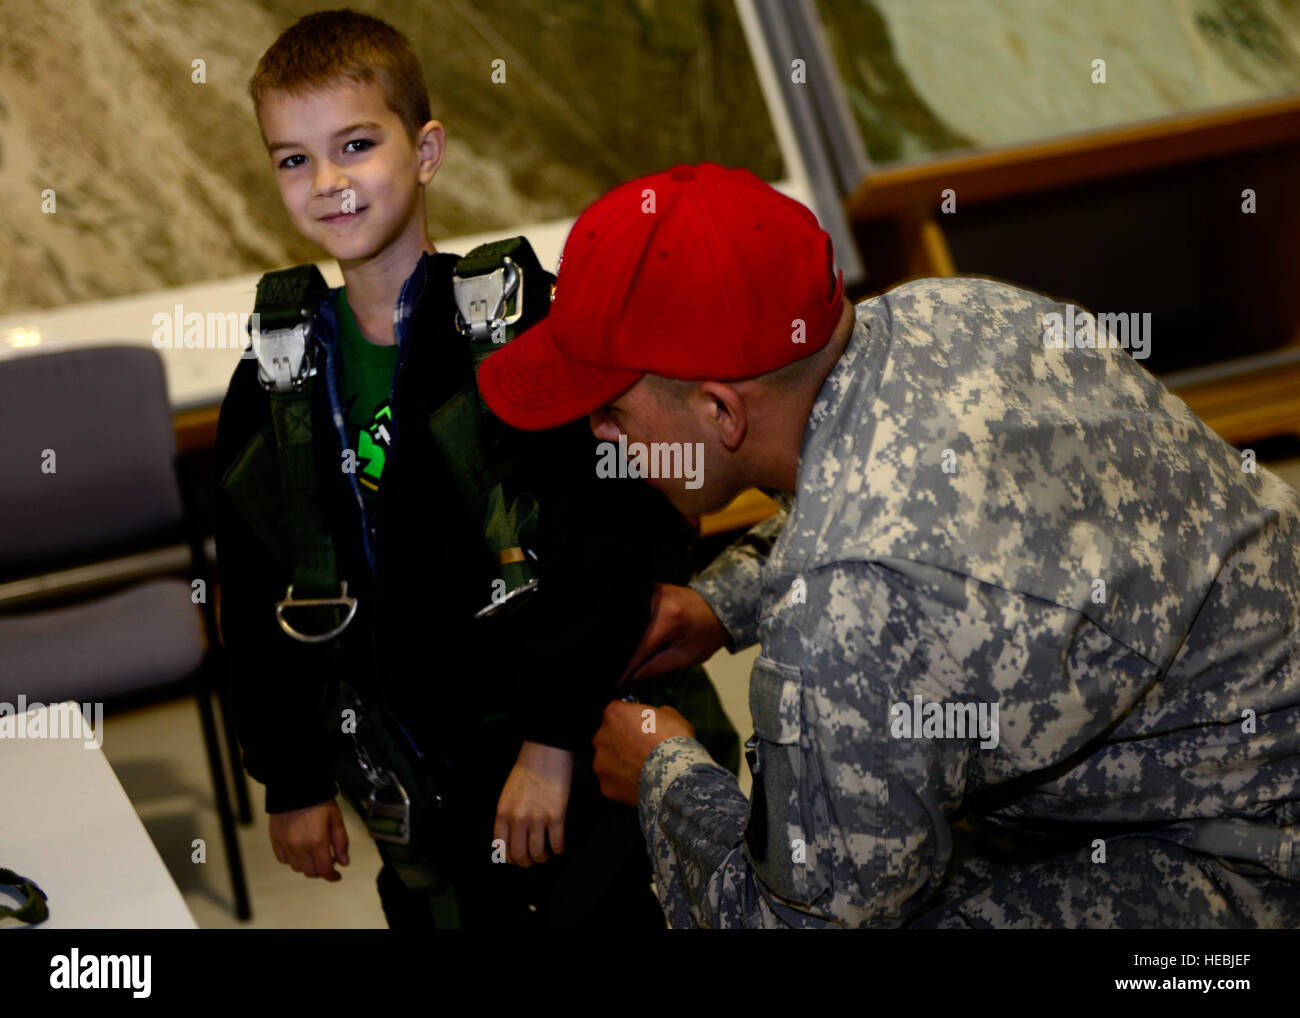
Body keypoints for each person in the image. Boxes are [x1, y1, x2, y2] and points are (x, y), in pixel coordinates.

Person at [477, 161, 1300, 929]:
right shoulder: (956, 309)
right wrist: (723, 603)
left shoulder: (840, 613)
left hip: (1252, 861)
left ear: (721, 414)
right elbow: (919, 512)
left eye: (612, 409)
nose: (597, 431)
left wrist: (663, 770)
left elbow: (801, 919)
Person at [213, 11, 735, 929]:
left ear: (425, 151)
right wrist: (292, 776)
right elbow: (258, 593)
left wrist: (550, 740)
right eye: (293, 159)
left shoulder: (521, 329)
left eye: (356, 144)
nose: (328, 182)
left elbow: (603, 546)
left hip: (555, 742)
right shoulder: (278, 375)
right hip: (414, 775)